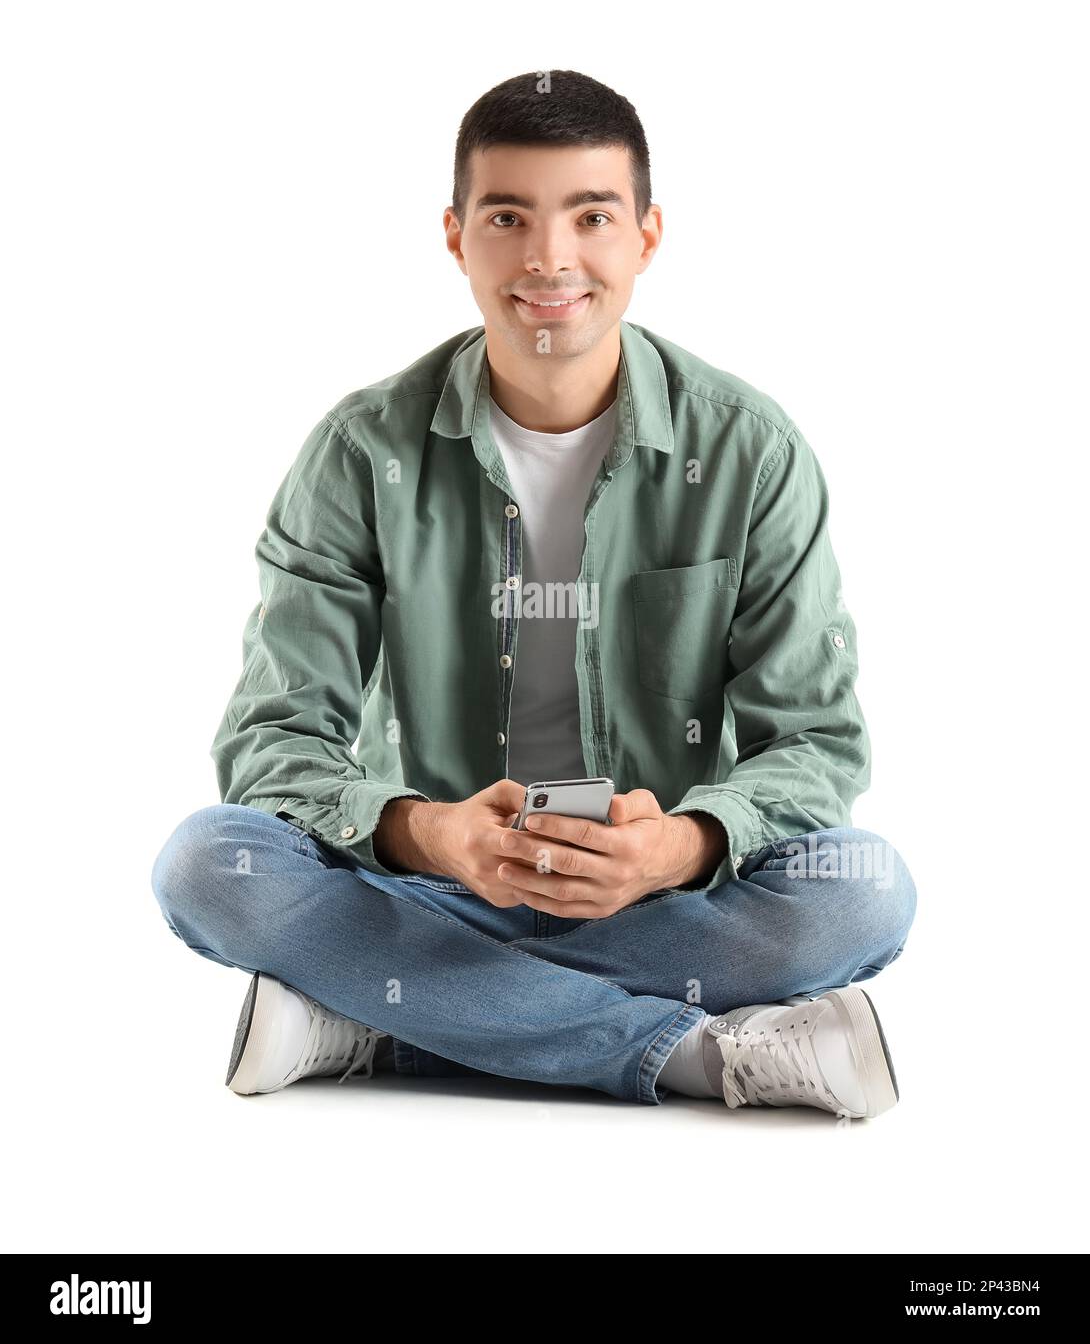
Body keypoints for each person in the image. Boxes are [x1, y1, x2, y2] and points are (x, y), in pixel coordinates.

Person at [151, 69, 917, 1119]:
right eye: (508, 216)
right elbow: (273, 740)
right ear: (457, 234)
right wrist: (429, 835)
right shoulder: (359, 452)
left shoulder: (748, 450)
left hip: (664, 894)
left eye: (590, 215)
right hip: (423, 885)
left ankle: (379, 1018)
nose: (549, 258)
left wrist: (678, 846)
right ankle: (696, 1054)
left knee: (861, 889)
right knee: (207, 862)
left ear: (646, 235)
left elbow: (817, 744)